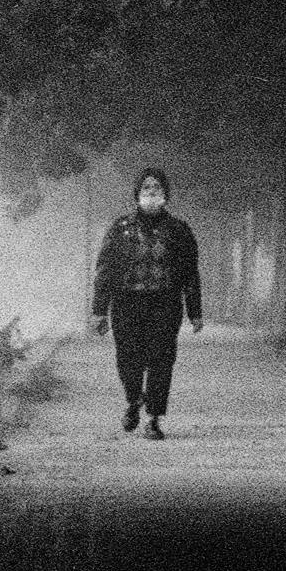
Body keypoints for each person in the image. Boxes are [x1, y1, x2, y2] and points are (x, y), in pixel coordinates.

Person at [92, 166, 203, 438]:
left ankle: (153, 418)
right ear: (137, 193)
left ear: (165, 194)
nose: (151, 192)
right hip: (126, 303)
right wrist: (99, 310)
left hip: (165, 304)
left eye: (157, 188)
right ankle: (134, 399)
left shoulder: (178, 230)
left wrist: (195, 311)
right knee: (128, 358)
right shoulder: (120, 228)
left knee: (161, 360)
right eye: (146, 188)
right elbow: (105, 269)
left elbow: (190, 272)